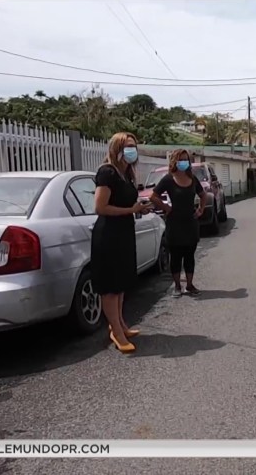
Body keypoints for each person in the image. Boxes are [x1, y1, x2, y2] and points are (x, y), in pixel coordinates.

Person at [91, 132, 151, 354]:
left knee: (121, 282)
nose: (132, 150)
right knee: (110, 286)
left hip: (124, 232)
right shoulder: (107, 172)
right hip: (109, 234)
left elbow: (127, 202)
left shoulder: (127, 173)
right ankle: (115, 331)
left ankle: (121, 324)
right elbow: (100, 207)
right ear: (117, 149)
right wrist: (131, 210)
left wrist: (138, 208)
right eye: (127, 146)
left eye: (134, 146)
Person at [150, 149, 208, 297]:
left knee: (189, 255)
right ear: (175, 161)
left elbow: (203, 195)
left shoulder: (192, 179)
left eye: (186, 159)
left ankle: (189, 284)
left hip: (190, 222)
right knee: (175, 257)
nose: (184, 162)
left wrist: (201, 209)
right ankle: (177, 286)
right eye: (181, 159)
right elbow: (153, 196)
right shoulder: (169, 179)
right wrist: (165, 208)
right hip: (174, 224)